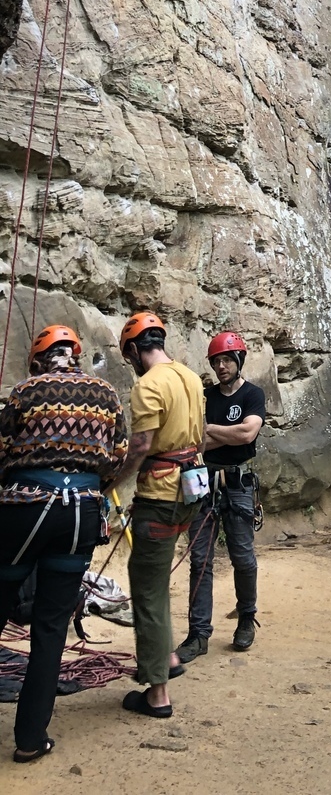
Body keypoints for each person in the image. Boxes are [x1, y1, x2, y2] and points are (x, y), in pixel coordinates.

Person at [0, 324, 127, 762]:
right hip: (82, 513)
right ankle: (31, 739)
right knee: (51, 627)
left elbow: (0, 449)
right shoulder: (107, 394)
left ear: (39, 358)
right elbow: (118, 455)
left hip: (25, 508)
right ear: (74, 355)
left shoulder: (24, 393)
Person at [113, 312, 204, 720]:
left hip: (161, 493)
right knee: (158, 576)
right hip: (191, 489)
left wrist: (108, 483)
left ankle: (157, 695)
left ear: (133, 349)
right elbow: (199, 435)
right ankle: (166, 655)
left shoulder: (147, 386)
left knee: (147, 592)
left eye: (128, 355)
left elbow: (140, 448)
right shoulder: (190, 377)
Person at [177, 331, 264, 661]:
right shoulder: (204, 395)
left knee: (243, 556)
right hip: (200, 478)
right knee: (199, 559)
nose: (221, 366)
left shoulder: (253, 395)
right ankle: (198, 634)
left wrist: (212, 431)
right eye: (216, 361)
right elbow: (194, 441)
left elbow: (248, 433)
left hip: (237, 481)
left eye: (227, 360)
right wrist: (224, 435)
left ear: (239, 360)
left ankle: (246, 618)